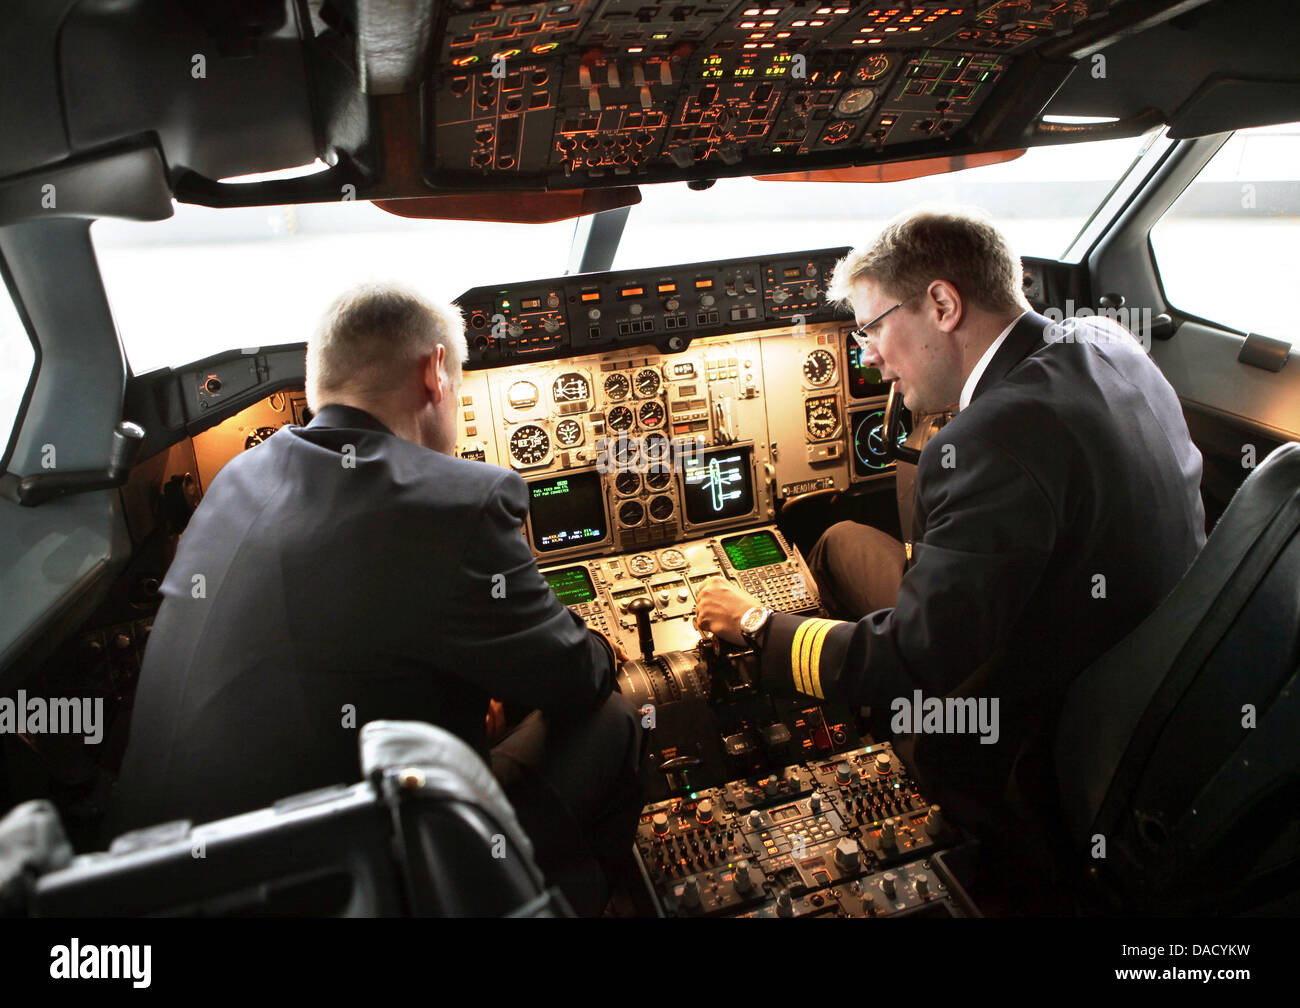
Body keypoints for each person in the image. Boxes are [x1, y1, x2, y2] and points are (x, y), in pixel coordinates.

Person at [695, 207, 1206, 911]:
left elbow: (910, 661)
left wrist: (756, 624)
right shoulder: (1108, 344)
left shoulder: (993, 439)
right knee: (846, 539)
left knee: (912, 713)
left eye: (873, 328)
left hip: (1036, 732)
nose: (868, 356)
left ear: (941, 303)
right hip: (1146, 671)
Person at [108, 283, 641, 915]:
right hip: (338, 885)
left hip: (155, 883)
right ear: (435, 372)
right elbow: (574, 678)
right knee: (615, 719)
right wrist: (601, 647)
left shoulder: (235, 479)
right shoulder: (454, 501)